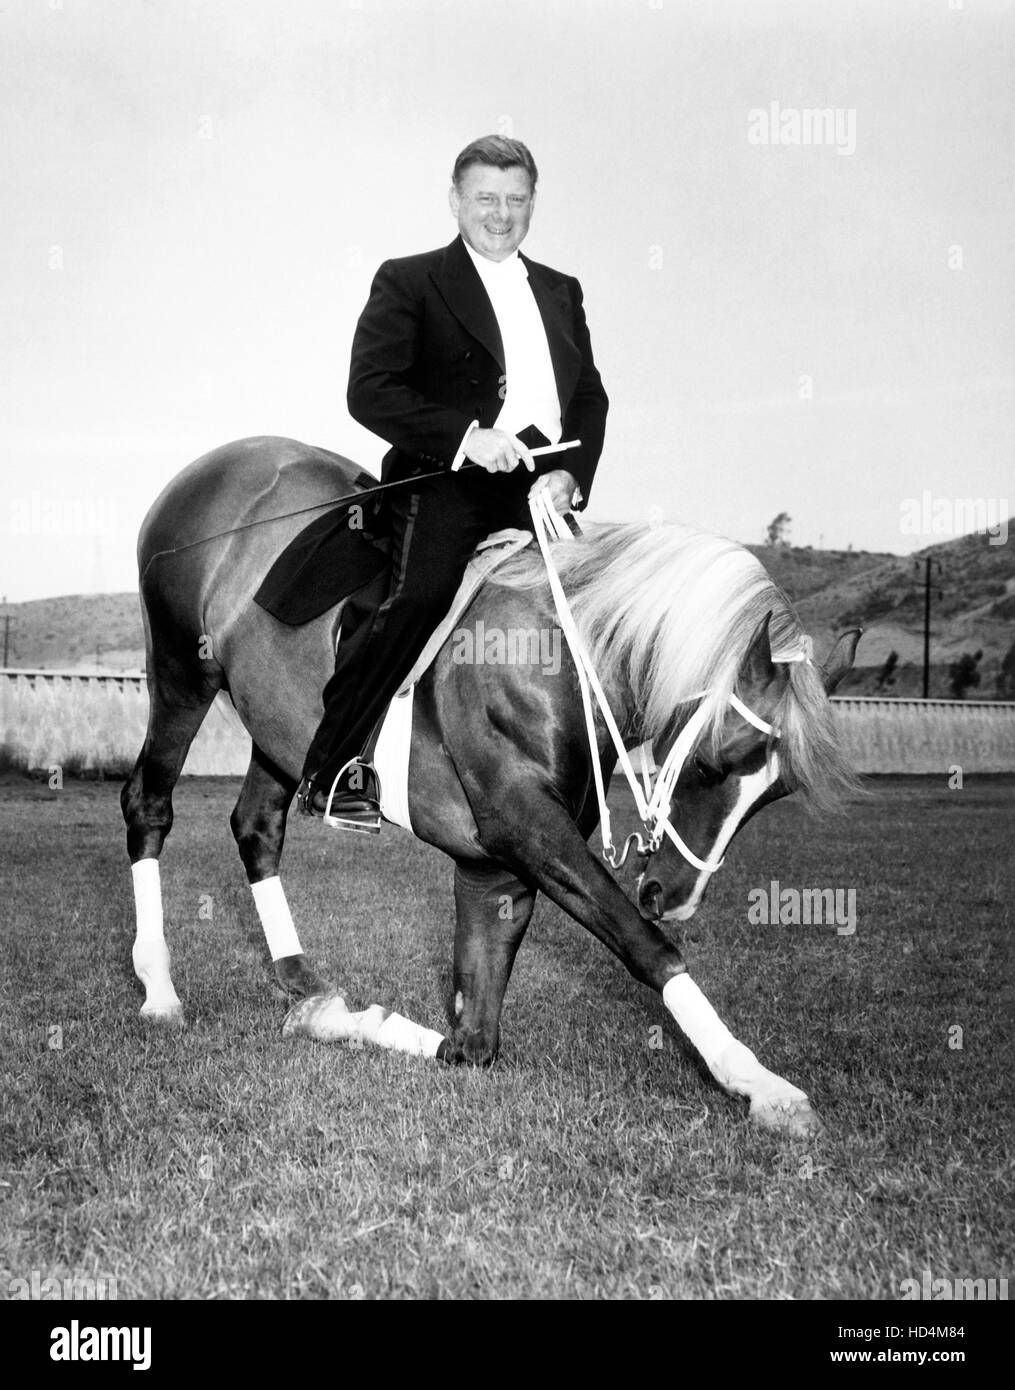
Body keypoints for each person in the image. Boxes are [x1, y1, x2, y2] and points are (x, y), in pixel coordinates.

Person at [297, 134, 609, 830]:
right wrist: (468, 438)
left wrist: (568, 474)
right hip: (447, 477)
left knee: (602, 615)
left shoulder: (562, 290)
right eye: (486, 198)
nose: (501, 213)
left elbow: (589, 396)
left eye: (516, 199)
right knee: (419, 597)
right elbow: (369, 390)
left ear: (533, 203)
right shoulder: (409, 279)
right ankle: (332, 767)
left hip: (539, 486)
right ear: (455, 201)